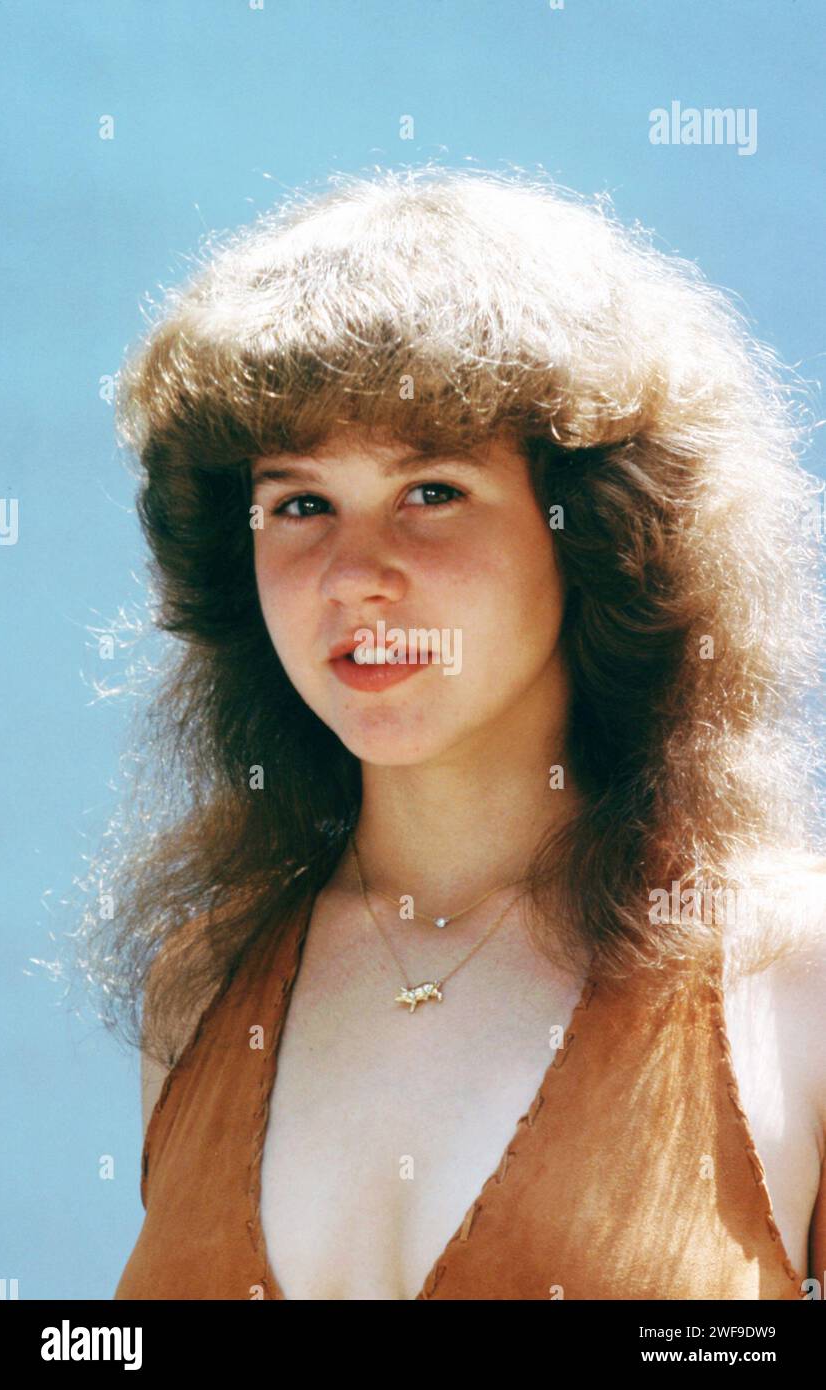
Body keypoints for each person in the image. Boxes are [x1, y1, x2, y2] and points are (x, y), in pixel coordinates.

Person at [83, 166, 825, 1299]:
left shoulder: (792, 972)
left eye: (430, 489)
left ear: (600, 529)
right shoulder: (201, 985)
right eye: (297, 503)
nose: (352, 576)